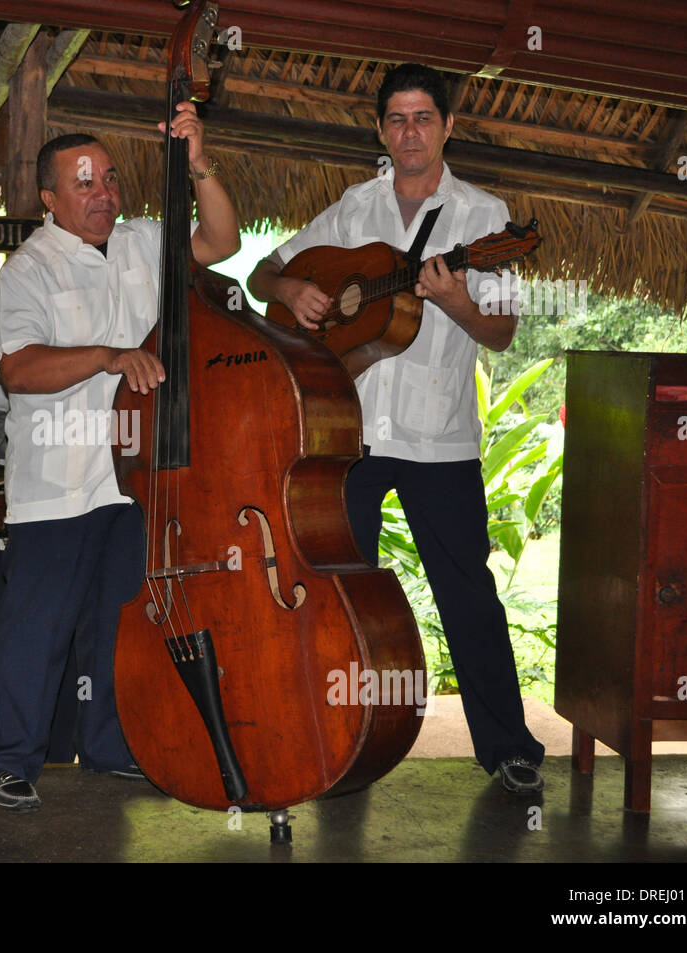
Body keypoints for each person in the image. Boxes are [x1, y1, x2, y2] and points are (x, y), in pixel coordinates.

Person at [247, 62, 545, 794]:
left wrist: (457, 302)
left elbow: (502, 330)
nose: (410, 132)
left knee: (467, 593)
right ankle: (336, 742)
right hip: (345, 436)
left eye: (424, 118)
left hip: (437, 438)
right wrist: (293, 289)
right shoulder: (354, 207)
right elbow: (264, 273)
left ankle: (507, 746)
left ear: (447, 126)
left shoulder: (487, 217)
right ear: (380, 130)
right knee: (340, 594)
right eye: (397, 119)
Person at [0, 102, 241, 810]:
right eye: (85, 183)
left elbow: (221, 238)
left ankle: (110, 748)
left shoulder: (142, 242)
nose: (104, 195)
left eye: (111, 180)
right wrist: (110, 356)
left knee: (122, 625)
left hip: (132, 480)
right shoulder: (27, 272)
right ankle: (8, 759)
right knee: (38, 627)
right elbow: (20, 369)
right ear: (50, 198)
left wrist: (200, 163)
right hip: (55, 483)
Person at [0, 362, 79, 766]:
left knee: (74, 669)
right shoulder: (25, 314)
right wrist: (37, 438)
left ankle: (59, 773)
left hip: (93, 526)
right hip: (16, 533)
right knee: (4, 667)